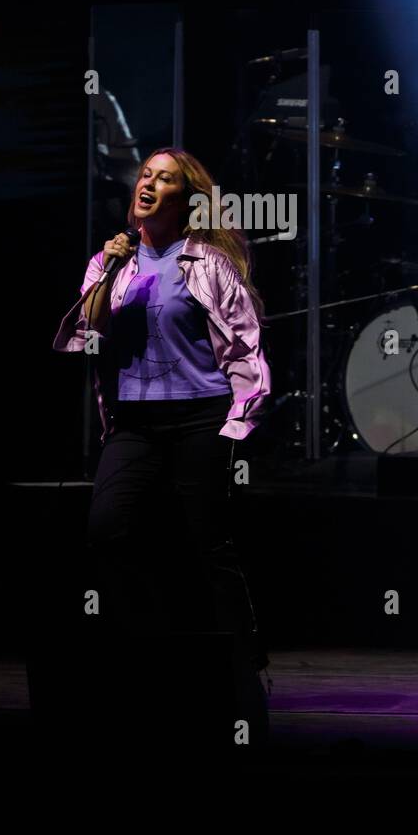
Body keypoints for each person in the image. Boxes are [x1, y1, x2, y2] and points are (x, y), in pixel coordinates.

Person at [52, 147, 272, 744]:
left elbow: (245, 349)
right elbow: (84, 335)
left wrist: (235, 424)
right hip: (133, 423)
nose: (148, 184)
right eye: (145, 175)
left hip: (199, 416)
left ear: (184, 199)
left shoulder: (207, 261)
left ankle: (245, 663)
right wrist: (108, 272)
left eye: (164, 179)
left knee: (208, 544)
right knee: (107, 528)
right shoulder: (111, 261)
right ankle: (155, 647)